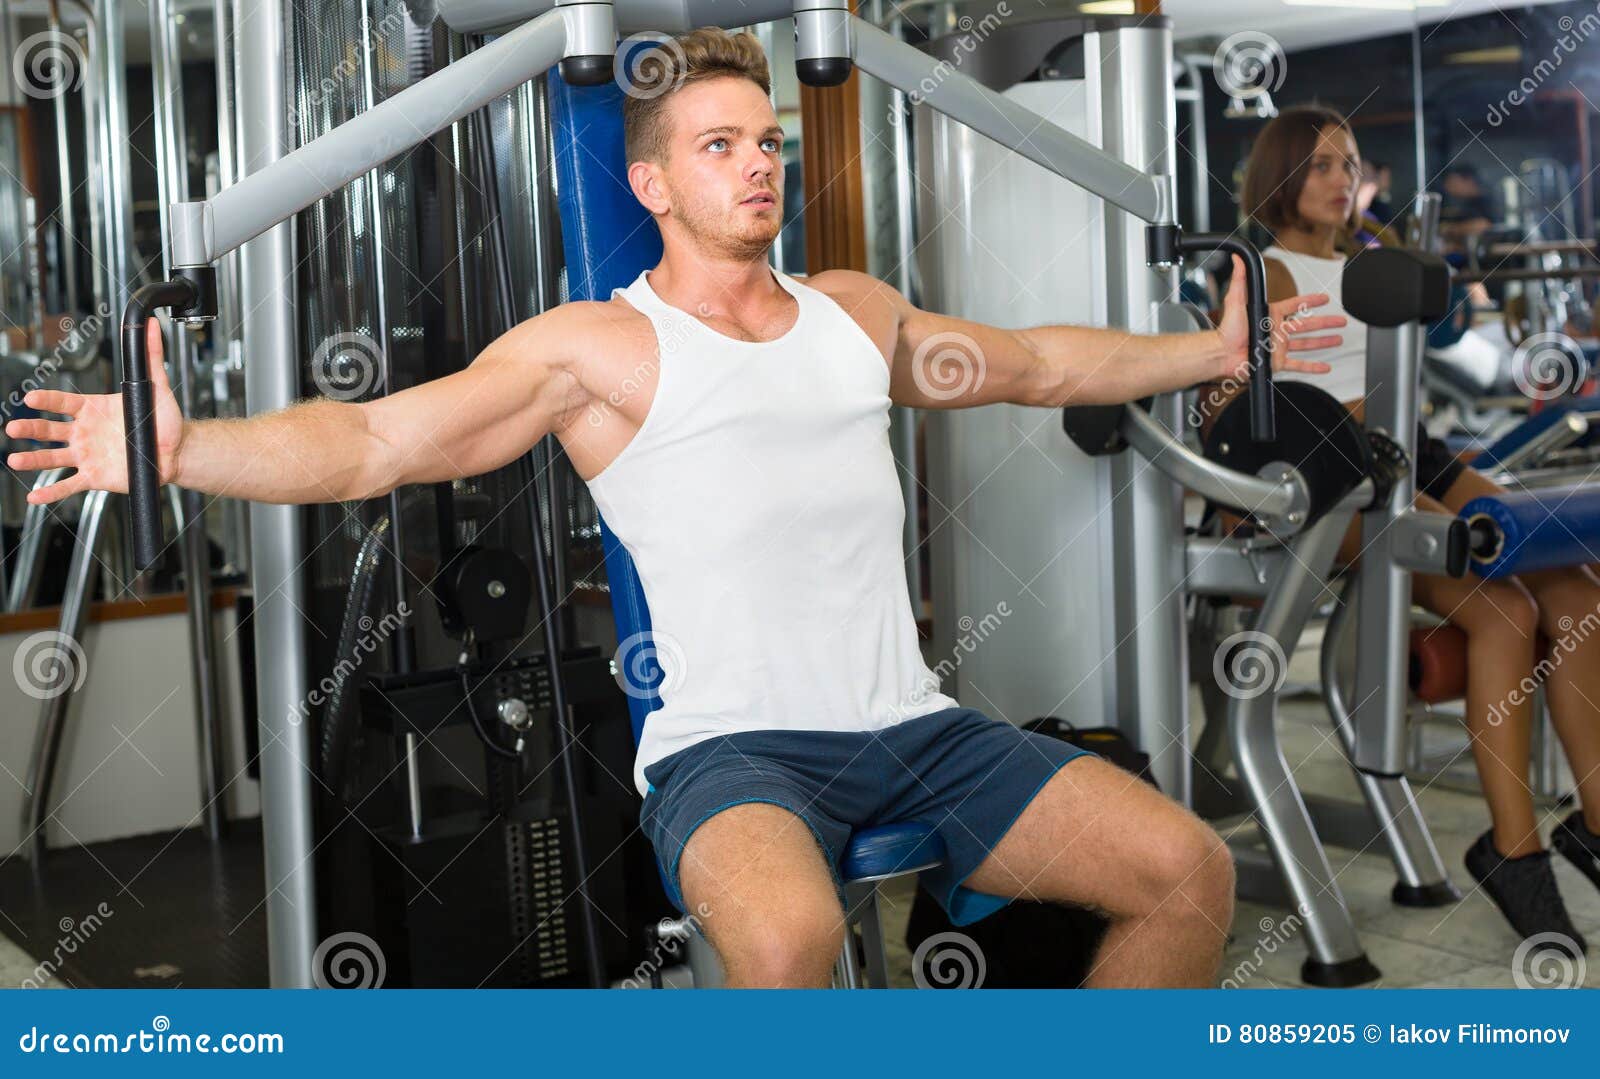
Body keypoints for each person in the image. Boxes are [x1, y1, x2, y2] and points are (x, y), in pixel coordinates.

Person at [5, 30, 1345, 988]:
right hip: (732, 752)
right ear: (651, 183)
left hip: (919, 726)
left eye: (766, 142)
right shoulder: (598, 349)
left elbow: (1036, 364)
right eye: (720, 145)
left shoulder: (851, 310)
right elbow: (373, 439)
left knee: (1187, 872)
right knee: (786, 941)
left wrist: (1212, 349)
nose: (758, 164)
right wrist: (184, 450)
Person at [1239, 104, 1600, 958]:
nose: (1343, 179)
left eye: (1350, 162)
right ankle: (1512, 848)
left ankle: (1595, 821)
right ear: (1283, 175)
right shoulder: (1266, 272)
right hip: (1337, 472)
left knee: (1576, 592)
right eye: (1321, 164)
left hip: (1411, 445)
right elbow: (1261, 400)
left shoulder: (1370, 260)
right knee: (1506, 610)